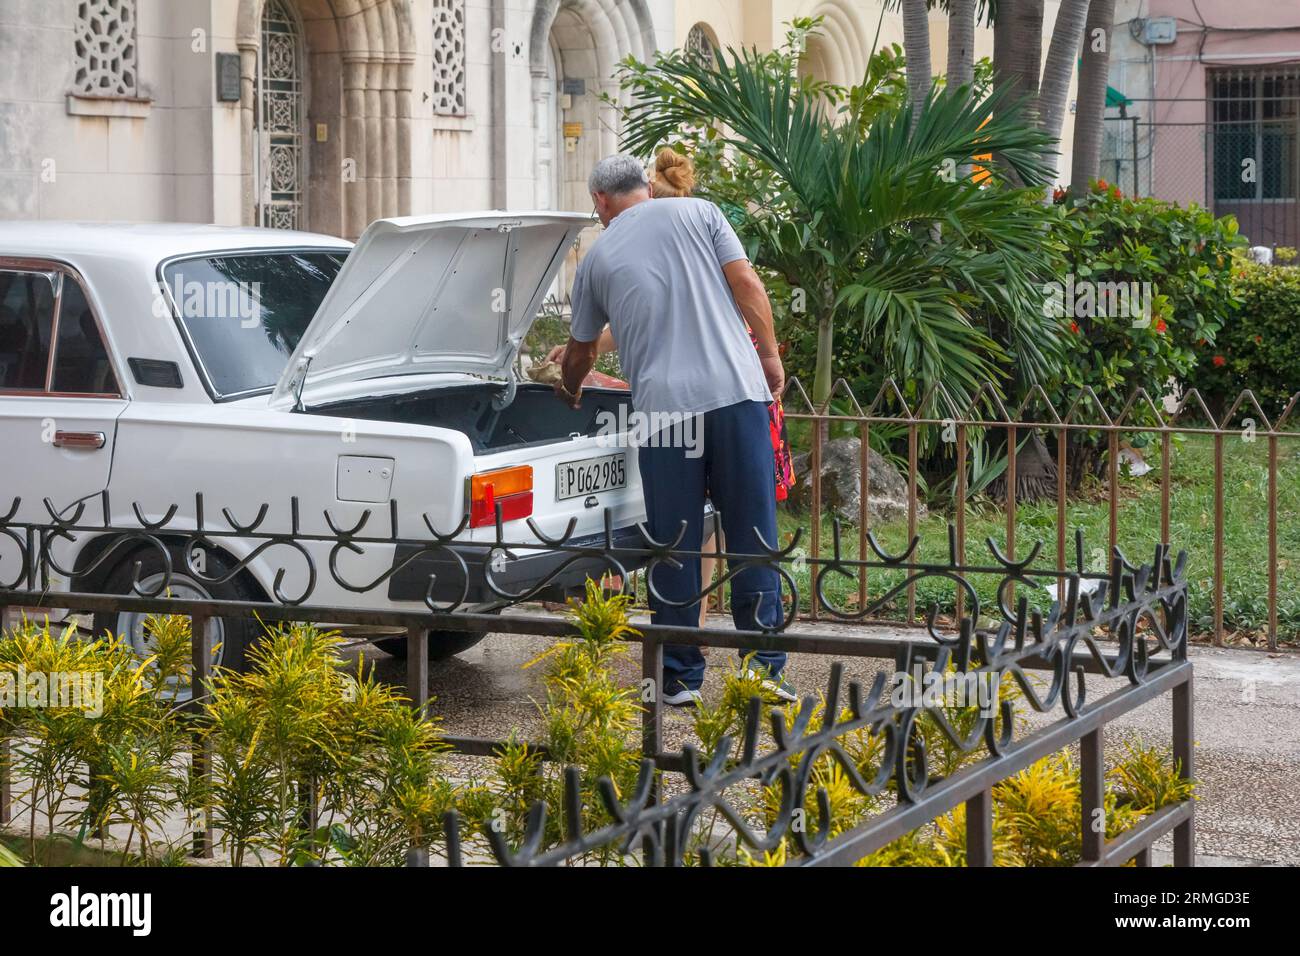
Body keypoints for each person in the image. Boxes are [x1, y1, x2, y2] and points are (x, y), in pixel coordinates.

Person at [553, 153, 795, 706]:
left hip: (664, 414)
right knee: (752, 530)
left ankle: (680, 678)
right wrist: (771, 360)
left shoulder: (596, 259)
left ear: (600, 203)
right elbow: (748, 285)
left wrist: (570, 387)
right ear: (645, 187)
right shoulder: (701, 213)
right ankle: (763, 669)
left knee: (674, 542)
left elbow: (581, 352)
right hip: (738, 396)